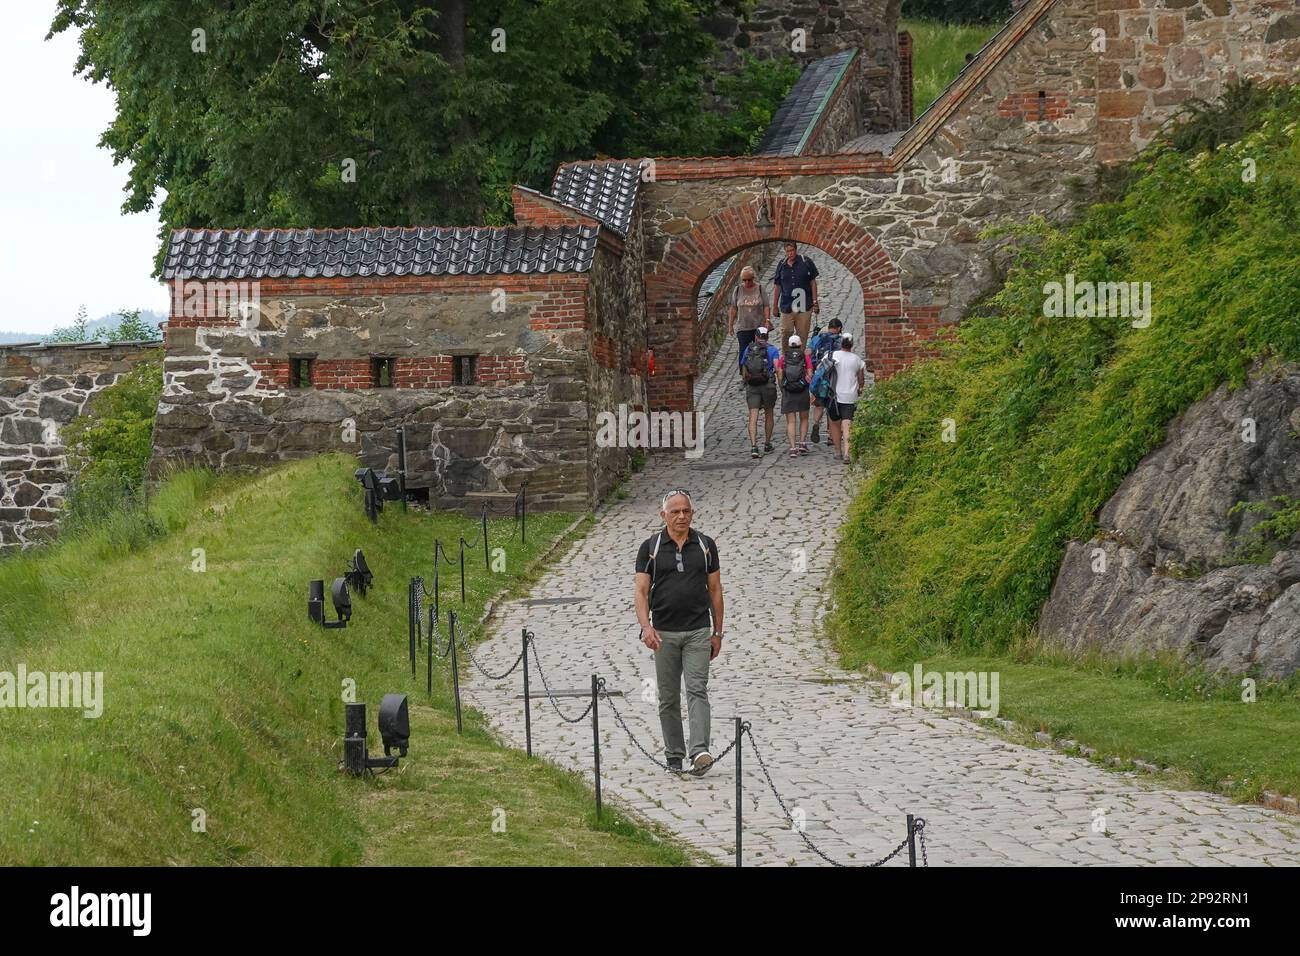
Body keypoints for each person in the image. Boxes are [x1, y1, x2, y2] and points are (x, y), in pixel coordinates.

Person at [634, 490, 724, 776]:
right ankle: (674, 754)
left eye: (686, 511)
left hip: (698, 630)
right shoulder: (651, 547)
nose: (681, 516)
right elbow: (640, 591)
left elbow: (715, 590)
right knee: (669, 697)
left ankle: (700, 752)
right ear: (663, 516)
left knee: (697, 689)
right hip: (664, 634)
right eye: (675, 512)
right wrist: (646, 627)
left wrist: (718, 632)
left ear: (692, 513)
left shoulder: (706, 546)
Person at [826, 333, 867, 464]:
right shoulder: (857, 360)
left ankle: (838, 451)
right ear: (852, 344)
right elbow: (861, 380)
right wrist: (860, 389)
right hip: (850, 396)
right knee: (847, 425)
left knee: (834, 423)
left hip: (834, 395)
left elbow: (821, 371)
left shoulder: (832, 355)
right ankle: (847, 453)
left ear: (841, 343)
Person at [771, 241, 819, 347]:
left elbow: (813, 282)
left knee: (802, 335)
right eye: (787, 251)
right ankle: (785, 359)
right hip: (786, 306)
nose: (790, 254)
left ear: (796, 250)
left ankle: (800, 359)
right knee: (785, 333)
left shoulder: (806, 262)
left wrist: (815, 301)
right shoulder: (781, 265)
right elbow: (777, 286)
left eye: (791, 251)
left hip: (804, 305)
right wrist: (774, 306)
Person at [741, 326, 779, 460]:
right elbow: (777, 367)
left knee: (753, 415)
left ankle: (754, 446)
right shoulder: (773, 350)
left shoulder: (749, 349)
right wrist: (780, 383)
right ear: (767, 337)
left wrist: (746, 381)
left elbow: (744, 367)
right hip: (768, 385)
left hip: (752, 386)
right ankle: (767, 443)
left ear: (756, 337)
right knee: (769, 413)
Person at [806, 318, 843, 445]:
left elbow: (808, 352)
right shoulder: (841, 340)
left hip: (820, 375)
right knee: (832, 405)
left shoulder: (818, 338)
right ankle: (831, 436)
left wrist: (810, 369)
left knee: (819, 404)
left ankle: (816, 423)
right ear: (839, 328)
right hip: (834, 376)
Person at [775, 333, 812, 457]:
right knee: (804, 418)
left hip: (788, 392)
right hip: (802, 390)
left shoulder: (783, 358)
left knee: (791, 421)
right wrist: (805, 383)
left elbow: (779, 374)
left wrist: (783, 385)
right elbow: (810, 374)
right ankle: (802, 443)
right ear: (800, 344)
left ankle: (792, 448)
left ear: (789, 345)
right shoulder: (805, 357)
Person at [727, 266, 766, 369]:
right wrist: (730, 325)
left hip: (758, 326)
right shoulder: (738, 289)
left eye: (749, 280)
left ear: (753, 278)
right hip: (743, 327)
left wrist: (767, 321)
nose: (747, 282)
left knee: (760, 350)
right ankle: (744, 373)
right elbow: (733, 308)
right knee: (743, 351)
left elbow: (766, 306)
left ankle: (760, 371)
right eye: (744, 280)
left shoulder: (760, 288)